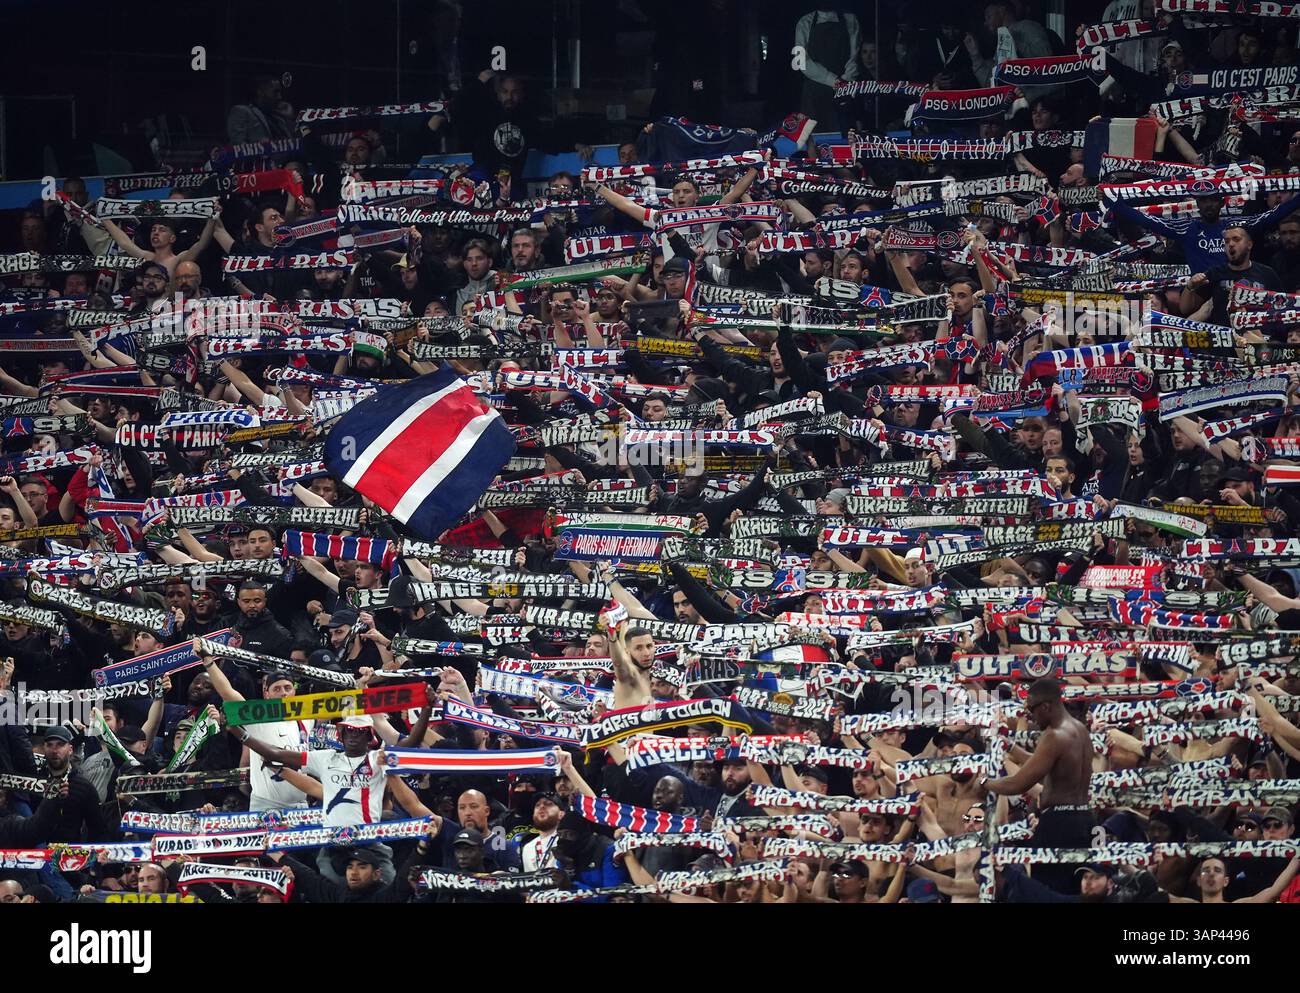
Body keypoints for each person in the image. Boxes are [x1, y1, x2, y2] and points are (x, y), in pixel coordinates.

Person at [982, 678, 1092, 894]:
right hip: (1083, 818)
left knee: (1047, 892)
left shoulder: (1053, 736)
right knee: (1075, 890)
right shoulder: (1079, 730)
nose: (1030, 716)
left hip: (1059, 824)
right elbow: (1045, 762)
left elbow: (1017, 784)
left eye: (1031, 709)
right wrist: (1011, 747)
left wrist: (985, 782)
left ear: (1046, 706)